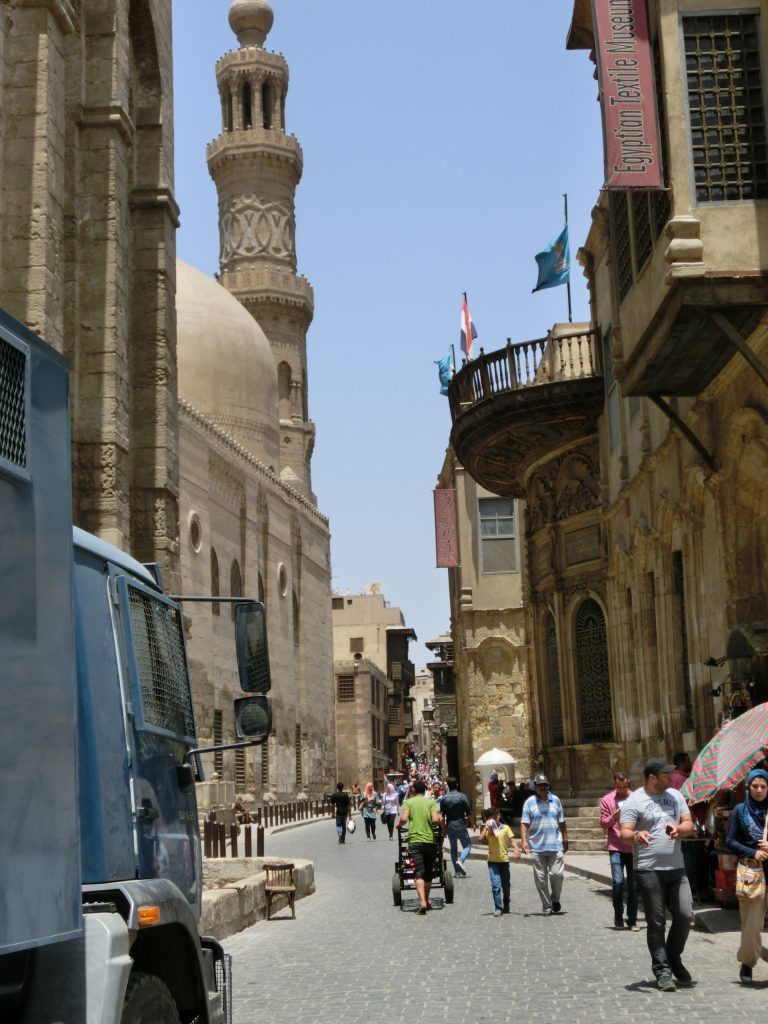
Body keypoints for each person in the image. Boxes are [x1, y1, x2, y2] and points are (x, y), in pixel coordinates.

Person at [619, 756, 694, 991]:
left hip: (676, 867)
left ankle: (673, 956)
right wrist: (636, 835)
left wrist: (679, 829)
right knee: (656, 921)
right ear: (652, 777)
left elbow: (689, 824)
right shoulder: (635, 800)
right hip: (648, 869)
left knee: (685, 914)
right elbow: (624, 832)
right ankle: (662, 970)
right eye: (665, 774)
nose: (671, 777)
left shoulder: (676, 795)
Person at [725, 767, 768, 985]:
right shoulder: (740, 811)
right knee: (751, 923)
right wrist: (753, 852)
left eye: (763, 786)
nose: (759, 790)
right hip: (752, 873)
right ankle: (747, 963)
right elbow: (730, 841)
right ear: (748, 787)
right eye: (755, 786)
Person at [520, 773, 568, 915]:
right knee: (541, 879)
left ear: (548, 786)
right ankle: (547, 906)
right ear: (535, 787)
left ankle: (555, 899)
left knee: (557, 874)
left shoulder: (556, 800)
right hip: (537, 847)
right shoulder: (529, 803)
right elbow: (524, 823)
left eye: (545, 785)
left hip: (555, 844)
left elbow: (562, 821)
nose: (543, 788)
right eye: (540, 785)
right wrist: (524, 840)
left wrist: (565, 838)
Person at [599, 772, 638, 930]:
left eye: (625, 787)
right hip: (616, 846)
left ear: (628, 783)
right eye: (619, 787)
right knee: (618, 882)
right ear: (614, 783)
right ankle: (618, 914)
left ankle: (632, 920)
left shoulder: (636, 798)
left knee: (633, 885)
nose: (622, 790)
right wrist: (614, 816)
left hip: (634, 847)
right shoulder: (607, 800)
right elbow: (603, 823)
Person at [398, 778, 443, 915]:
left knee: (418, 872)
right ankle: (427, 900)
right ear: (425, 790)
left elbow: (404, 819)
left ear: (414, 790)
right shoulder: (431, 802)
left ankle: (422, 901)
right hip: (429, 841)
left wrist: (399, 825)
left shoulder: (408, 802)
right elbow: (435, 820)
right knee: (428, 873)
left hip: (415, 842)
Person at [479, 807, 521, 916]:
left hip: (504, 861)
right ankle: (498, 907)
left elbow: (512, 840)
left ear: (498, 816)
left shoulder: (505, 828)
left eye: (495, 817)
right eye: (491, 818)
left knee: (506, 885)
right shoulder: (489, 828)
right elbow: (481, 838)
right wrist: (486, 826)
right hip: (492, 861)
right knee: (495, 885)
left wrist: (516, 849)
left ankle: (506, 901)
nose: (494, 820)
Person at [440, 776, 476, 877]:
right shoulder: (462, 796)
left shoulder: (443, 798)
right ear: (457, 784)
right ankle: (461, 860)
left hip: (450, 826)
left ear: (447, 785)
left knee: (453, 848)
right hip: (460, 824)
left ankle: (456, 871)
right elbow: (469, 812)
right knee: (467, 846)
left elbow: (442, 816)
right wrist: (472, 823)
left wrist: (443, 829)